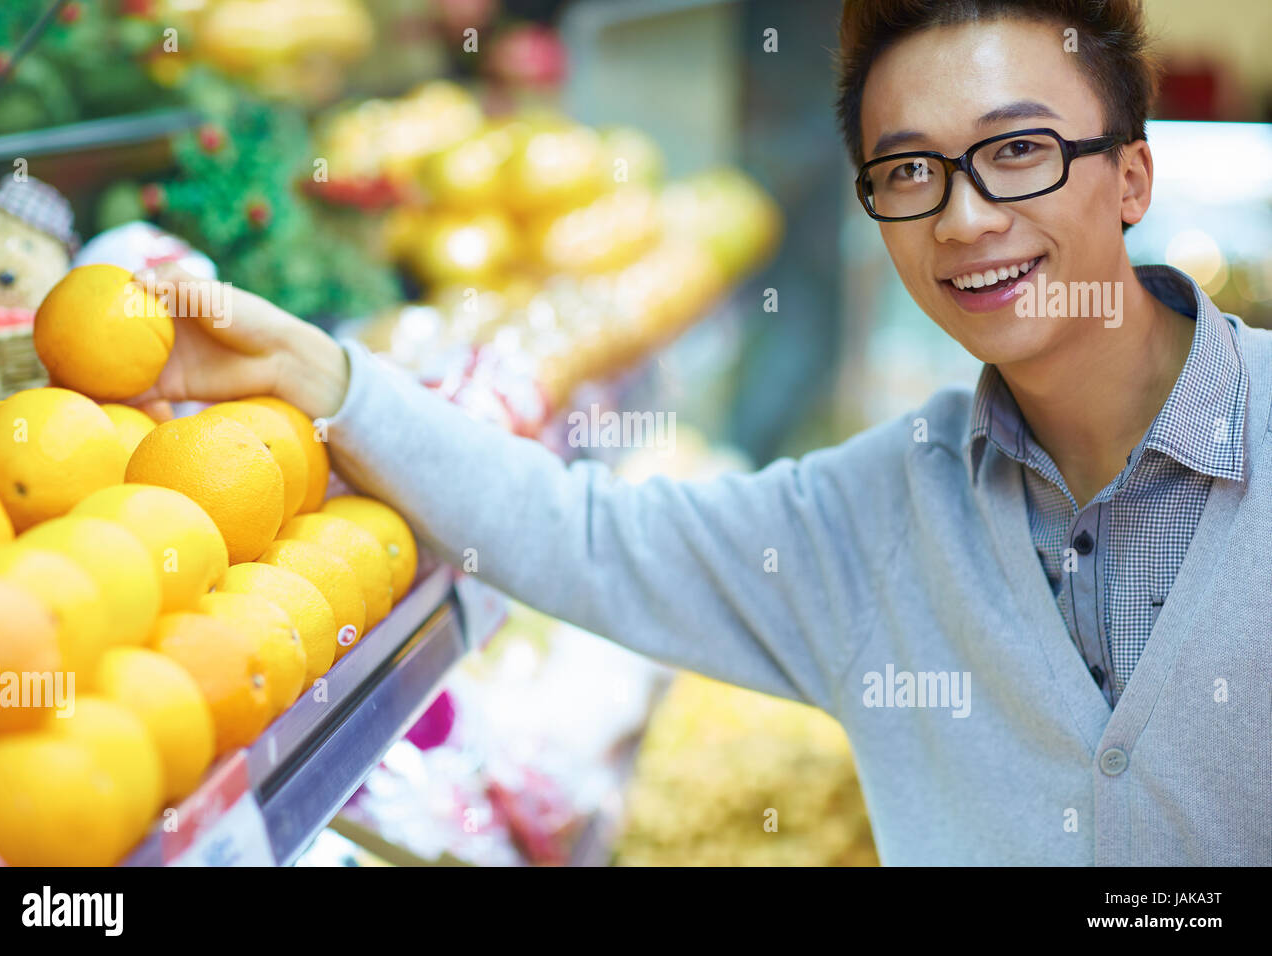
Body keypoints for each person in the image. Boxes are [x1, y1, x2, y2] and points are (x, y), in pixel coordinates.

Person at [134, 0, 1272, 866]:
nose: (966, 217)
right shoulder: (876, 517)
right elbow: (578, 532)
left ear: (1130, 174)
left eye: (1017, 149)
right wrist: (333, 379)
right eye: (909, 169)